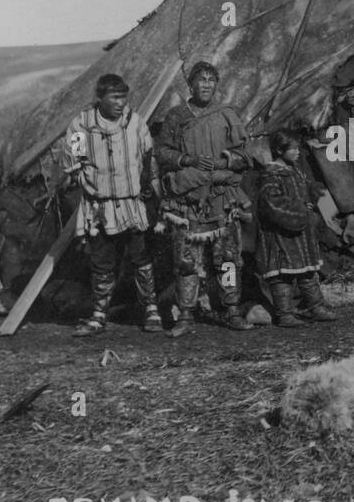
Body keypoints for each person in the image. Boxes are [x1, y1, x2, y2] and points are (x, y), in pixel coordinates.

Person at [154, 61, 254, 336]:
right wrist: (186, 159)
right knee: (186, 259)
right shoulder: (176, 117)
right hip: (187, 199)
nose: (206, 84)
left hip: (222, 198)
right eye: (201, 79)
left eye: (211, 79)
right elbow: (162, 153)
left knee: (229, 257)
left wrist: (227, 159)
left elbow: (246, 155)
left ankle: (231, 309)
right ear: (191, 84)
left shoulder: (227, 115)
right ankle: (185, 315)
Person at [62, 73, 164, 336]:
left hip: (132, 204)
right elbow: (73, 167)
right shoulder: (81, 127)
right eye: (115, 97)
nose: (121, 103)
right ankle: (98, 314)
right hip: (100, 207)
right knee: (102, 262)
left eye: (123, 97)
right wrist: (92, 185)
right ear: (100, 98)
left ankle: (151, 309)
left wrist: (151, 195)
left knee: (141, 257)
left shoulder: (136, 123)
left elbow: (149, 160)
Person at [255, 129, 338, 326]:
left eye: (297, 148)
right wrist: (300, 209)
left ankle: (315, 307)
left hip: (300, 234)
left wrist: (313, 193)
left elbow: (302, 189)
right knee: (282, 275)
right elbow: (271, 203)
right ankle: (284, 314)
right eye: (292, 149)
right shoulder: (270, 175)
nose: (297, 152)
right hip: (281, 234)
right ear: (278, 150)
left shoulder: (295, 170)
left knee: (308, 273)